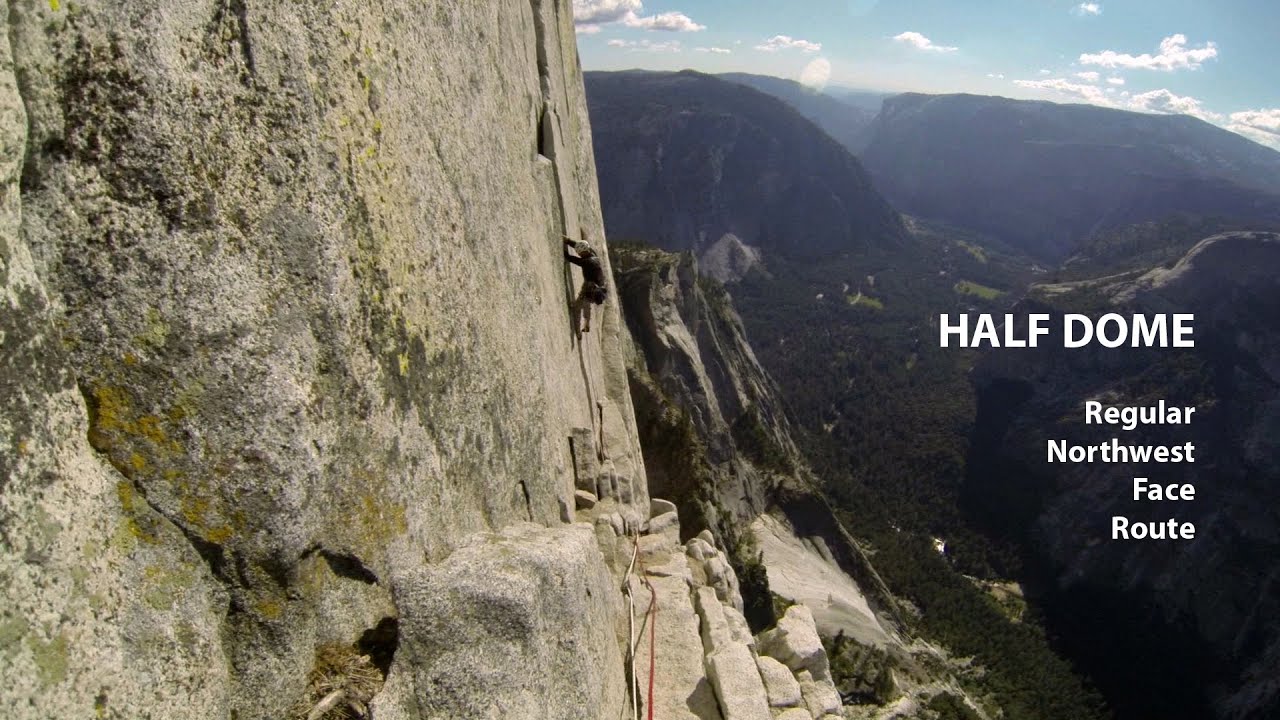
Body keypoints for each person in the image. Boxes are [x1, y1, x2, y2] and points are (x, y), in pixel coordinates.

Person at [564, 234, 608, 333]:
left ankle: (578, 332)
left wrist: (565, 247)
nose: (578, 254)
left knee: (577, 307)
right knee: (587, 304)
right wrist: (568, 241)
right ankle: (587, 323)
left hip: (590, 288)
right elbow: (578, 245)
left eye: (579, 252)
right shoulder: (592, 253)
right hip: (598, 287)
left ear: (582, 252)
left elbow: (571, 258)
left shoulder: (587, 262)